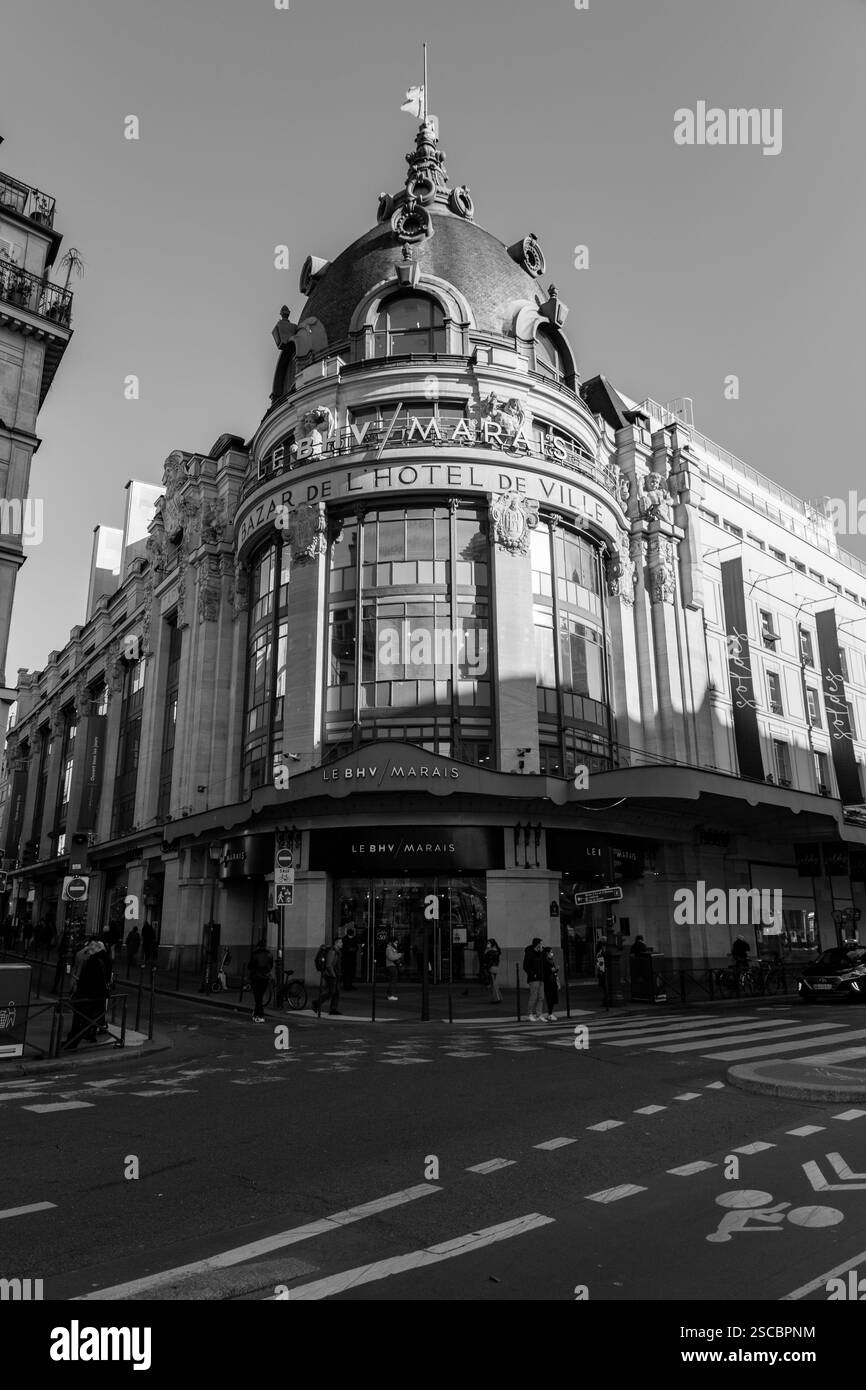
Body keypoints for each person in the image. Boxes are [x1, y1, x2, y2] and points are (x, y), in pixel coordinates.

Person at [64, 938, 110, 1049]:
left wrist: (79, 990)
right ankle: (74, 1041)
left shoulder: (93, 961)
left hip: (89, 996)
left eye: (90, 951)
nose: (88, 953)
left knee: (80, 1020)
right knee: (88, 1021)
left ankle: (72, 1042)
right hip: (98, 996)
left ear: (94, 950)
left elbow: (88, 979)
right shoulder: (105, 959)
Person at [248, 936, 273, 1023]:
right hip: (265, 977)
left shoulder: (255, 954)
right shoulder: (269, 954)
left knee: (257, 997)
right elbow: (271, 965)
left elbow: (250, 966)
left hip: (256, 977)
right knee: (260, 996)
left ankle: (260, 1015)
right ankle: (256, 1014)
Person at [314, 938, 342, 1015]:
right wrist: (333, 975)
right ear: (336, 943)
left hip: (335, 974)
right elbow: (329, 965)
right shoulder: (332, 952)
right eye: (340, 942)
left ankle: (333, 1009)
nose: (342, 943)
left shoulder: (337, 951)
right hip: (330, 975)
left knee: (336, 992)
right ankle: (316, 1003)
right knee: (331, 992)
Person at [522, 937, 545, 1021]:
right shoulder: (529, 953)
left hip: (541, 978)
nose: (542, 945)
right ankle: (530, 1013)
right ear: (537, 944)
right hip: (533, 979)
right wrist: (533, 974)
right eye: (541, 943)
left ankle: (539, 1014)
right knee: (534, 996)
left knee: (541, 997)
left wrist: (541, 953)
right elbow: (525, 966)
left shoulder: (541, 953)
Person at [542, 946, 560, 1021]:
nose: (552, 953)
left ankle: (550, 1013)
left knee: (552, 998)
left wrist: (556, 971)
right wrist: (555, 970)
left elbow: (553, 971)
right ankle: (550, 1014)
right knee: (550, 998)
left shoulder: (550, 960)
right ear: (547, 953)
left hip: (552, 981)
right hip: (548, 982)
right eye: (551, 952)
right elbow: (550, 971)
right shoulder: (546, 961)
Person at [483, 938, 502, 1003]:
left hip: (491, 968)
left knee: (493, 984)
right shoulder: (495, 950)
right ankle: (497, 997)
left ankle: (496, 998)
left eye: (488, 943)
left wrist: (487, 968)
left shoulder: (490, 951)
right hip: (494, 967)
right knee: (494, 983)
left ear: (492, 944)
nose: (487, 944)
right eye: (487, 943)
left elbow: (488, 961)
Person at [342, 926, 359, 990]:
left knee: (351, 972)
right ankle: (346, 985)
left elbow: (357, 947)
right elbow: (343, 949)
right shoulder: (344, 939)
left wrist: (354, 949)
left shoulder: (354, 939)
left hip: (352, 958)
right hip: (346, 959)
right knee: (346, 973)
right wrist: (349, 949)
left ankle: (350, 984)